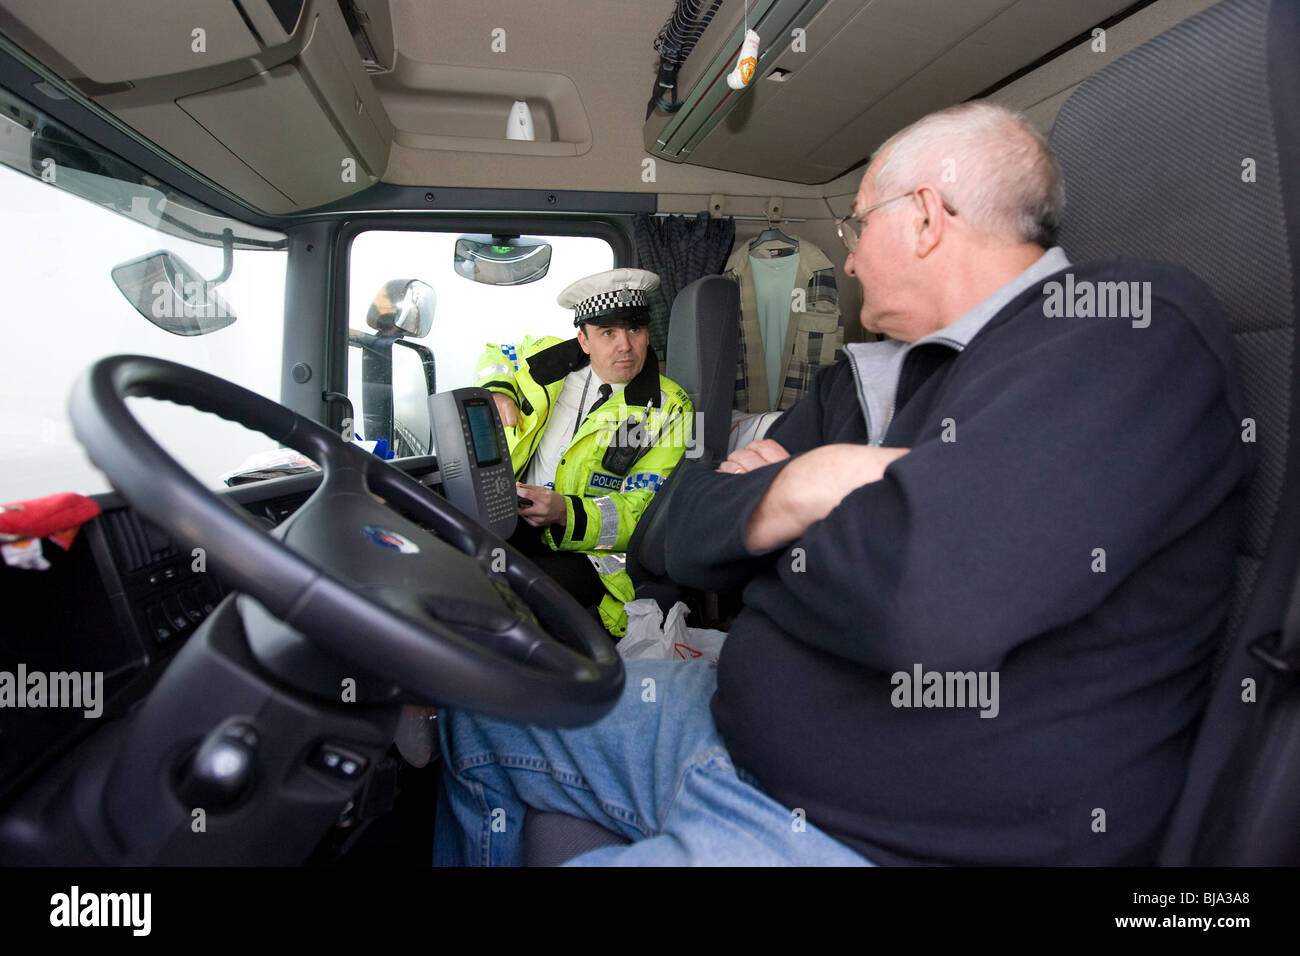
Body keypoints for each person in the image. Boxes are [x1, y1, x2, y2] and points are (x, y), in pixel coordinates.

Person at [434, 102, 1253, 865]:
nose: (851, 257)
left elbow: (925, 599)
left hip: (882, 827)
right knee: (479, 705)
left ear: (928, 218)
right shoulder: (858, 381)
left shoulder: (1119, 328)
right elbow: (673, 534)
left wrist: (763, 543)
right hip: (728, 725)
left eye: (859, 224)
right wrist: (806, 488)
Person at [472, 267, 694, 636]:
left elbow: (645, 509)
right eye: (608, 333)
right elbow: (495, 353)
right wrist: (498, 389)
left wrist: (565, 513)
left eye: (635, 330)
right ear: (584, 340)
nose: (625, 345)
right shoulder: (545, 361)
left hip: (588, 555)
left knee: (502, 597)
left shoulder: (670, 408)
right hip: (508, 518)